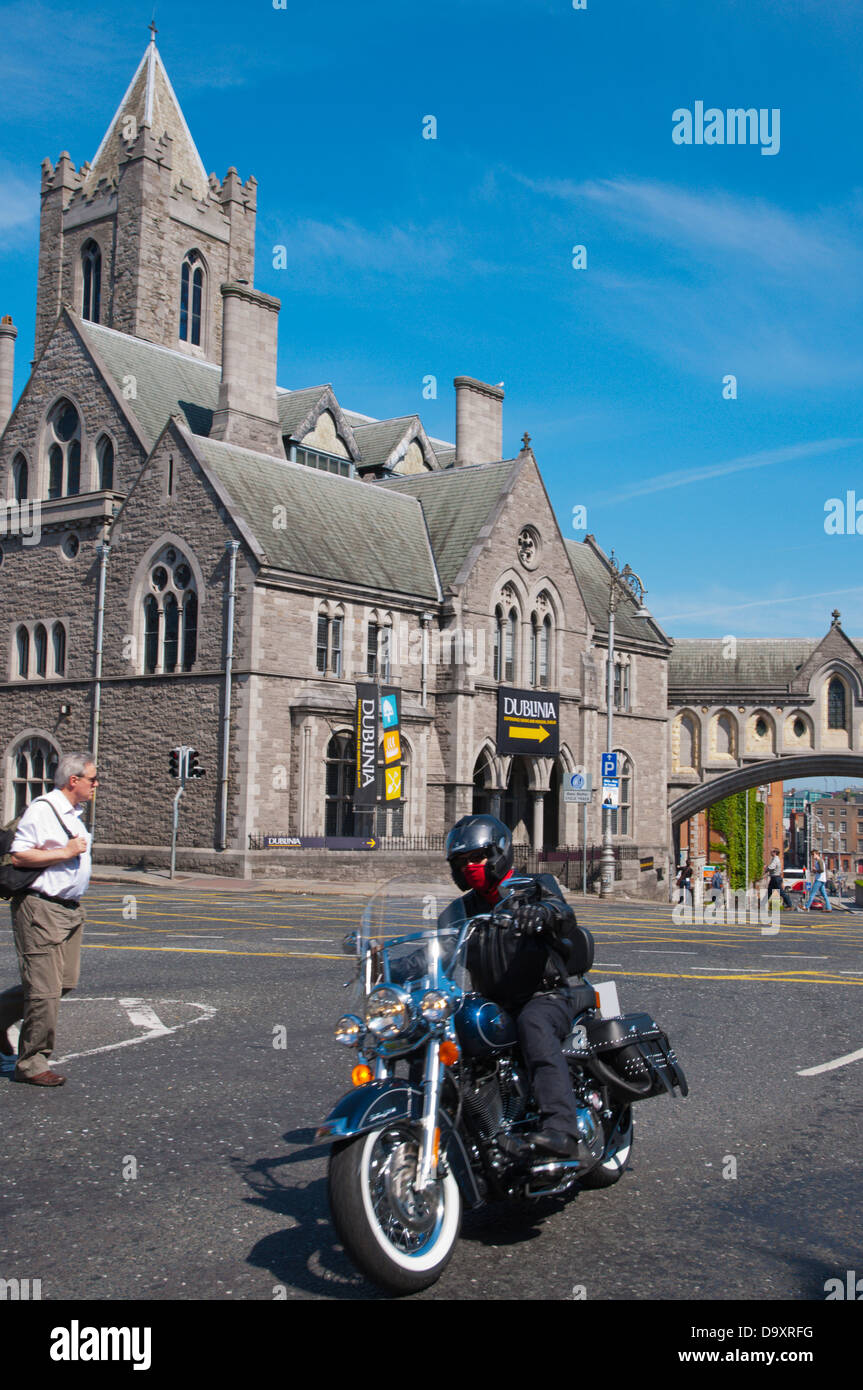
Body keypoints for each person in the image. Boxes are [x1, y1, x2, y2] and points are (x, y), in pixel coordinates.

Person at [444, 813, 594, 1162]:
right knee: (442, 1034)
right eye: (462, 861)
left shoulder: (536, 885)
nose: (470, 867)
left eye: (477, 857)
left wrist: (542, 913)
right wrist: (387, 966)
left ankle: (561, 1131)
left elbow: (563, 912)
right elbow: (437, 952)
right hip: (491, 1001)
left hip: (544, 994)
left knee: (534, 1025)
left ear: (498, 852)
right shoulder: (460, 910)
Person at [0, 752, 97, 1086]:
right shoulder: (44, 809)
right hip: (40, 908)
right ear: (74, 781)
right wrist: (66, 853)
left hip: (69, 910)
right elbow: (20, 854)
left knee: (65, 982)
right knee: (44, 991)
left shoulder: (74, 813)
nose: (96, 785)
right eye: (92, 779)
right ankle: (32, 1063)